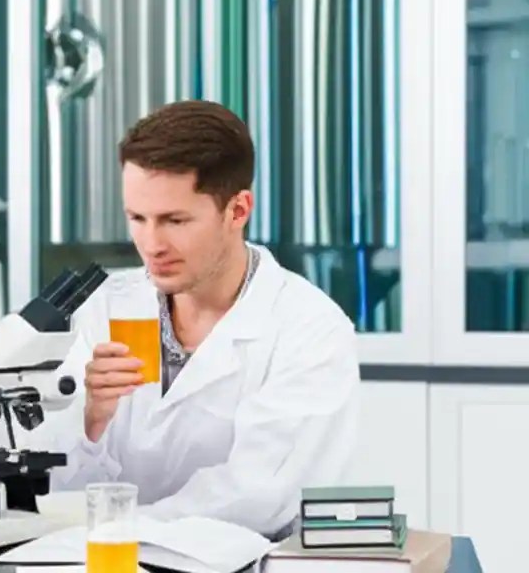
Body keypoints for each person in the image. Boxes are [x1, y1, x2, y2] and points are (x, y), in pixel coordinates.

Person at [44, 100, 360, 540]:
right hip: (110, 559)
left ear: (238, 210)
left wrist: (122, 526)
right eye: (137, 218)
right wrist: (91, 422)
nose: (151, 244)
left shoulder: (310, 329)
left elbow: (257, 497)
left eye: (175, 220)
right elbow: (58, 484)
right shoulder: (106, 307)